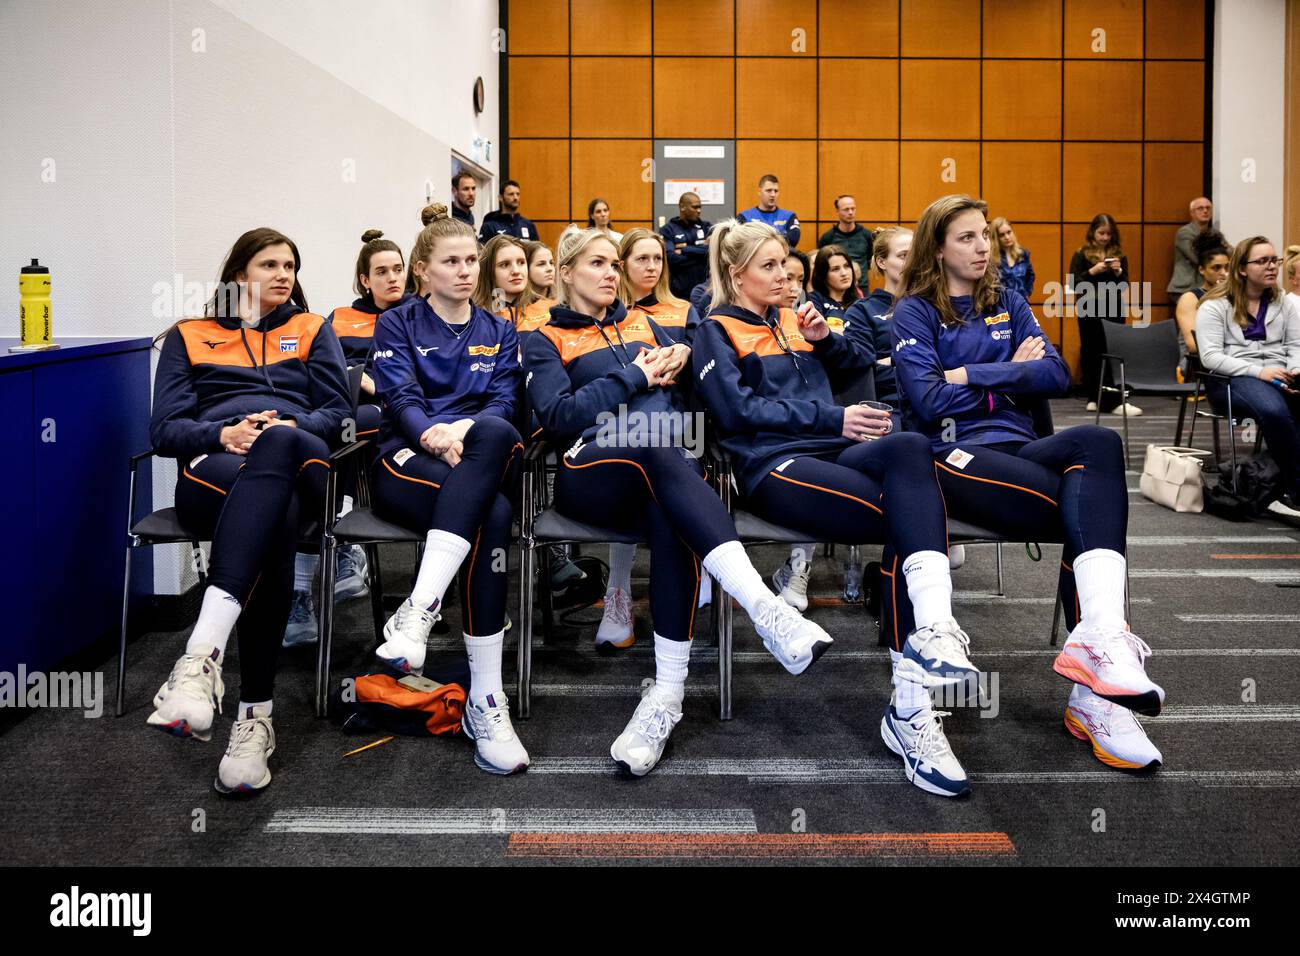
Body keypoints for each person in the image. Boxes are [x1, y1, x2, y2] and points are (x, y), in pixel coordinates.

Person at [522, 227, 834, 776]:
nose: (611, 273)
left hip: (663, 473)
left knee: (673, 505)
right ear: (566, 273)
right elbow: (558, 416)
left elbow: (699, 399)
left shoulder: (647, 322)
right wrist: (634, 374)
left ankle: (664, 699)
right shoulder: (544, 338)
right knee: (660, 451)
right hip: (591, 472)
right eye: (597, 263)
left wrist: (683, 363)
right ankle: (766, 609)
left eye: (613, 264)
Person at [691, 218, 980, 798]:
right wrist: (832, 419)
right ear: (735, 273)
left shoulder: (798, 321)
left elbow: (860, 368)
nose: (784, 277)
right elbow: (735, 413)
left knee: (909, 448)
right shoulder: (714, 330)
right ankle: (911, 704)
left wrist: (826, 339)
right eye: (769, 267)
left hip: (835, 450)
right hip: (772, 466)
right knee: (912, 520)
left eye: (787, 267)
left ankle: (930, 644)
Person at [890, 194, 1165, 779]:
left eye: (985, 234)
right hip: (953, 451)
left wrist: (971, 374)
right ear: (937, 247)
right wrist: (1011, 372)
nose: (983, 246)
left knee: (1100, 444)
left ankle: (1100, 653)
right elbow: (928, 399)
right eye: (966, 237)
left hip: (1020, 446)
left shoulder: (1009, 299)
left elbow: (1058, 374)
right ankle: (1097, 691)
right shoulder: (915, 311)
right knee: (1087, 516)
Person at [147, 228, 352, 793]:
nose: (284, 274)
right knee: (275, 519)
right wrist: (223, 431)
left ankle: (200, 658)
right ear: (239, 274)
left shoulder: (313, 328)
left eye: (290, 265)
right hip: (217, 465)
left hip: (300, 454)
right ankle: (253, 720)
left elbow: (337, 411)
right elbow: (164, 430)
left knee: (280, 447)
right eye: (270, 264)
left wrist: (287, 425)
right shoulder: (190, 336)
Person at [368, 204, 529, 773]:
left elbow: (505, 402)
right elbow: (399, 398)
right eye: (451, 261)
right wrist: (435, 436)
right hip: (408, 459)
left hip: (473, 450)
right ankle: (487, 699)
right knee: (497, 511)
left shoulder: (498, 328)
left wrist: (463, 432)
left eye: (470, 261)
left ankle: (420, 608)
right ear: (423, 270)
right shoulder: (397, 324)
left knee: (493, 431)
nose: (465, 271)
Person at [282, 229, 412, 647]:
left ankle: (343, 534)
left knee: (356, 424)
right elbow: (325, 376)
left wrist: (379, 385)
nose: (393, 278)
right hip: (351, 411)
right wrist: (361, 381)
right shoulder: (337, 318)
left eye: (398, 269)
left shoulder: (422, 315)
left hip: (406, 417)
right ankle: (311, 582)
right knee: (318, 441)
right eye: (382, 272)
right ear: (363, 280)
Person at [590, 229, 708, 653]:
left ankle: (694, 567)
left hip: (682, 419)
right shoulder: (605, 312)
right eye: (640, 258)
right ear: (623, 264)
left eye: (657, 258)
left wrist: (688, 353)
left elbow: (709, 364)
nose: (651, 267)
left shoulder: (683, 310)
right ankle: (618, 592)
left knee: (680, 460)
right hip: (617, 422)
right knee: (632, 473)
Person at [1196, 235, 1300, 523]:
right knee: (1274, 411)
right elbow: (1211, 357)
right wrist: (1260, 372)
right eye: (1262, 261)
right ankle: (1295, 491)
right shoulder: (1214, 305)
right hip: (1231, 379)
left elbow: (1296, 346)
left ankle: (1274, 483)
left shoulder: (1284, 303)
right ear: (1242, 268)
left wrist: (1295, 369)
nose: (1272, 267)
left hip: (1281, 374)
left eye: (1274, 260)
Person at [1069, 214, 1141, 416]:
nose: (1105, 237)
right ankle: (1094, 395)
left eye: (1109, 234)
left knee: (1112, 351)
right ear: (1093, 232)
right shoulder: (1081, 254)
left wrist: (1117, 272)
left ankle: (1113, 398)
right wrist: (1093, 271)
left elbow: (1125, 284)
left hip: (1113, 308)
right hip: (1089, 307)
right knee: (1091, 351)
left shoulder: (1119, 255)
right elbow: (1073, 283)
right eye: (1101, 233)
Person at [1173, 230, 1229, 380]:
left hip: (1228, 357)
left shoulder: (1235, 296)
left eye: (1227, 267)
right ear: (1202, 270)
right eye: (1216, 268)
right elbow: (1193, 344)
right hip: (1196, 363)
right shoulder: (1190, 298)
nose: (1223, 273)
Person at [473, 234, 536, 328]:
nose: (516, 271)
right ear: (489, 271)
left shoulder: (544, 308)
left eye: (521, 262)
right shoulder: (473, 315)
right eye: (505, 265)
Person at [661, 192, 713, 299]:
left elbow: (713, 251)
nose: (699, 211)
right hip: (678, 290)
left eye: (700, 207)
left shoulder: (707, 227)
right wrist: (701, 254)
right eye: (695, 207)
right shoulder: (668, 230)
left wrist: (685, 250)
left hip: (705, 290)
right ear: (682, 207)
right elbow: (670, 258)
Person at [817, 195, 872, 292]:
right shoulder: (828, 237)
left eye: (853, 209)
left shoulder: (866, 235)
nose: (850, 212)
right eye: (846, 209)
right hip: (836, 288)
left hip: (861, 286)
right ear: (837, 212)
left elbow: (870, 260)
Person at [1167, 197, 1215, 306]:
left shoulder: (1214, 233)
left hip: (1205, 288)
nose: (1205, 211)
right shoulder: (1184, 233)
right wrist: (1216, 249)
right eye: (1200, 208)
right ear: (1192, 213)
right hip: (1184, 288)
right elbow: (1198, 257)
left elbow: (1228, 253)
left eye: (1208, 208)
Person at [737, 174, 800, 248]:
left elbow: (793, 238)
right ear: (760, 192)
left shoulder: (789, 216)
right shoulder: (744, 216)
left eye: (776, 191)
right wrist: (781, 235)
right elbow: (740, 241)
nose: (773, 194)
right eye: (769, 190)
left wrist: (758, 237)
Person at [807, 244, 862, 325]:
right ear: (823, 274)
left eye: (847, 266)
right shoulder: (813, 301)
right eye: (835, 269)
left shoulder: (860, 303)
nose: (844, 273)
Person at [990, 217, 1035, 301]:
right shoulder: (991, 259)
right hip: (1001, 305)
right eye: (1002, 235)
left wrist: (1027, 293)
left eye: (1009, 232)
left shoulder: (1023, 254)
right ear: (996, 238)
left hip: (1021, 302)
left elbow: (1030, 275)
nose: (1007, 237)